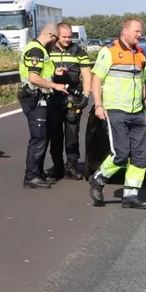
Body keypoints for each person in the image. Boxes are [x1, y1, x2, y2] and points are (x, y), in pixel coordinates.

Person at [87, 18, 146, 209]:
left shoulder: (140, 54)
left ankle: (131, 195)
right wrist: (98, 105)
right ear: (125, 31)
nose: (140, 35)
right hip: (116, 110)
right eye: (136, 31)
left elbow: (143, 82)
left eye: (140, 31)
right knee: (121, 153)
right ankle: (99, 178)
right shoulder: (109, 51)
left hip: (137, 112)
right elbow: (96, 79)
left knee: (140, 155)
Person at [18, 23, 68, 189]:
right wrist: (55, 85)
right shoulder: (36, 51)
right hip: (34, 98)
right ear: (52, 36)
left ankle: (38, 173)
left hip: (40, 98)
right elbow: (34, 78)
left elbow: (42, 72)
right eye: (56, 39)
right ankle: (31, 176)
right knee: (38, 138)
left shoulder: (40, 49)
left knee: (43, 137)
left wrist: (55, 72)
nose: (55, 43)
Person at [45, 21, 93, 180]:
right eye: (64, 37)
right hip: (53, 98)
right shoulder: (47, 50)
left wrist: (86, 95)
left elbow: (87, 74)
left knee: (72, 135)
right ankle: (57, 167)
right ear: (57, 35)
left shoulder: (79, 51)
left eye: (69, 37)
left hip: (73, 97)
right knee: (54, 135)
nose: (67, 40)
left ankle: (71, 166)